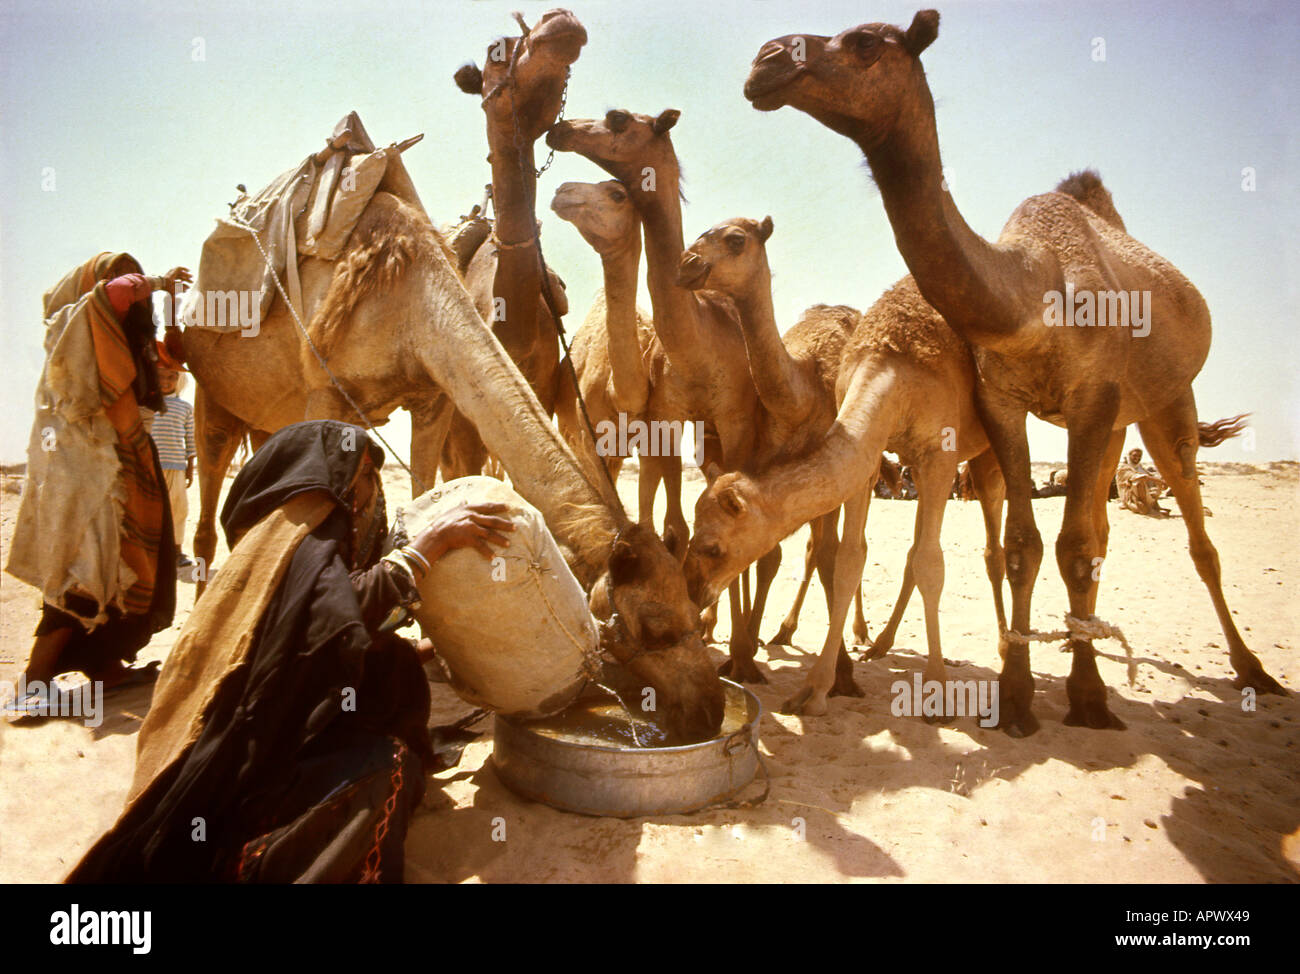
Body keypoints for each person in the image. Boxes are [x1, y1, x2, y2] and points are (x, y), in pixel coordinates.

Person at [68, 420, 515, 883]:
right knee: (384, 774)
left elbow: (322, 649)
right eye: (362, 473)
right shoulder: (298, 541)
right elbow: (340, 618)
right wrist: (431, 545)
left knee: (390, 715)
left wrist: (433, 648)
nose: (369, 490)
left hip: (282, 739)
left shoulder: (287, 545)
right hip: (256, 772)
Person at [5, 253, 191, 709]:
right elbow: (118, 292)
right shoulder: (78, 321)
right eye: (115, 273)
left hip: (119, 460)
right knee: (84, 573)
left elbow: (164, 355)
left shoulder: (114, 335)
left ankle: (103, 664)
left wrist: (171, 311)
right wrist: (160, 281)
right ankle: (33, 682)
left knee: (124, 569)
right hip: (88, 472)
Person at [148, 345, 197, 568]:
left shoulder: (185, 408)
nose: (166, 382)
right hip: (150, 466)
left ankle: (177, 551)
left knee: (178, 509)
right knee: (152, 509)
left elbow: (191, 439)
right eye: (160, 377)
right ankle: (152, 552)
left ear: (178, 380)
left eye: (171, 377)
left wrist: (190, 466)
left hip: (176, 466)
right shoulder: (146, 405)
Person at [1115, 447, 1169, 516]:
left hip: (1144, 493)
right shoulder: (1122, 467)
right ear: (1129, 455)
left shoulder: (1139, 466)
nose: (1137, 458)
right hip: (1130, 496)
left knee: (1159, 478)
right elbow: (1138, 476)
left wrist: (1162, 480)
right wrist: (1159, 481)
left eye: (1139, 456)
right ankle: (1144, 508)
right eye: (1134, 455)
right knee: (1138, 481)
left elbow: (1150, 475)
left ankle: (1153, 505)